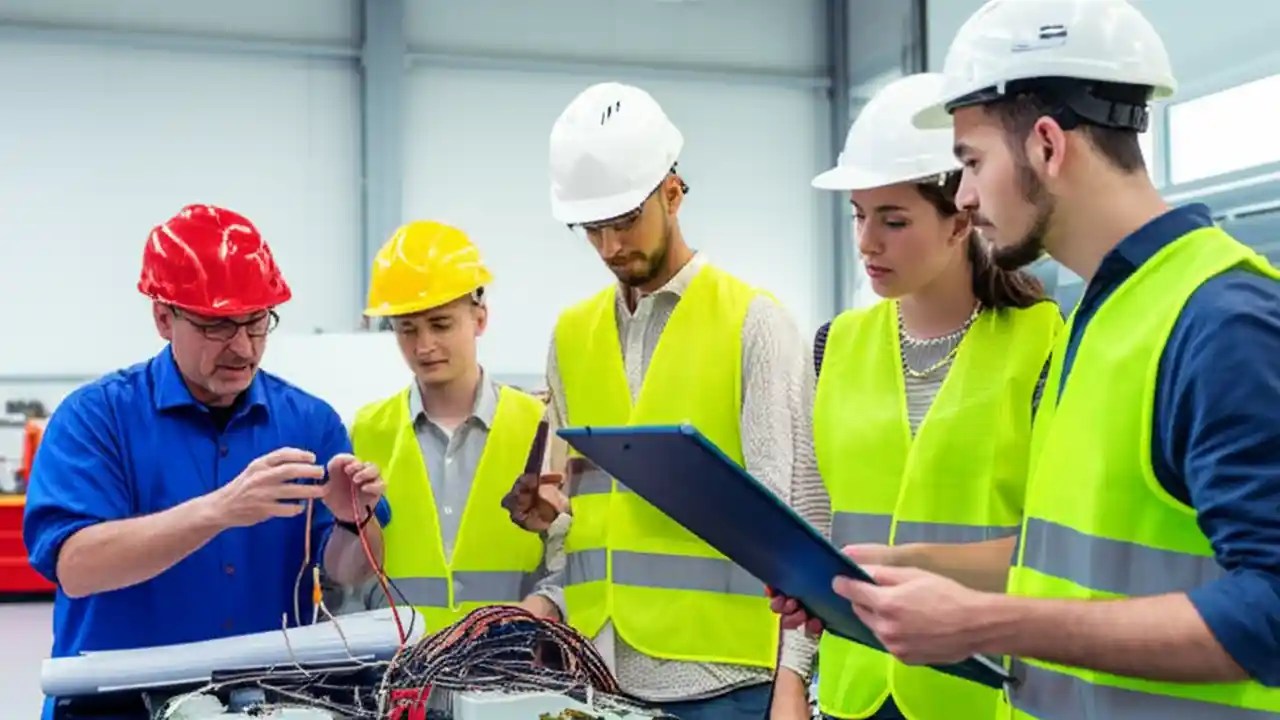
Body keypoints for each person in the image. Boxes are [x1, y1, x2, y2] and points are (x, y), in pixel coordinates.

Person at [774, 1, 1280, 717]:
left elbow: (1272, 610)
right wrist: (903, 572)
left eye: (972, 162)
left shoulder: (1221, 319)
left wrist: (981, 622)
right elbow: (1065, 565)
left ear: (1047, 145)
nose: (969, 196)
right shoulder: (1098, 320)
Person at [506, 80, 830, 720]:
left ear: (673, 194)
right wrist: (549, 595)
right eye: (592, 228)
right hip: (597, 678)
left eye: (624, 222)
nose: (609, 247)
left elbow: (801, 516)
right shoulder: (571, 336)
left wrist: (792, 681)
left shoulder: (754, 323)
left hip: (727, 682)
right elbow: (575, 525)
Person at [22, 204, 391, 720]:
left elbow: (349, 571)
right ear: (163, 317)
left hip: (268, 703)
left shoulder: (310, 423)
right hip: (115, 708)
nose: (243, 347)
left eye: (257, 322)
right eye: (218, 325)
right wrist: (221, 509)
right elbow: (78, 567)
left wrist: (355, 518)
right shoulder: (95, 418)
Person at [780, 72, 1063, 720]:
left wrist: (903, 566)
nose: (866, 242)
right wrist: (791, 685)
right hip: (852, 692)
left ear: (961, 218)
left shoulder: (1043, 344)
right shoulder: (833, 346)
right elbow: (814, 527)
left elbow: (1055, 550)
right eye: (857, 216)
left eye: (894, 219)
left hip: (980, 693)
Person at [347, 220, 563, 627]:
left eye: (441, 324)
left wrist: (539, 612)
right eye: (406, 329)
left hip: (514, 670)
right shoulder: (366, 430)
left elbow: (573, 556)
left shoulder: (540, 426)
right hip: (398, 675)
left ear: (479, 318)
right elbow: (348, 579)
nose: (423, 345)